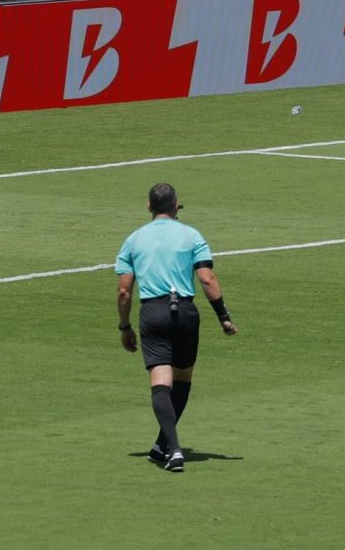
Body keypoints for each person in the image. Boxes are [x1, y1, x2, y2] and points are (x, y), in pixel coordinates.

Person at [114, 181, 237, 474]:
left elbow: (124, 291)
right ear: (176, 205)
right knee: (181, 381)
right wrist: (224, 317)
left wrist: (124, 326)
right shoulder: (191, 235)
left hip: (153, 312)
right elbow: (207, 279)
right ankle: (165, 446)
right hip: (185, 312)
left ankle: (170, 447)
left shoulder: (134, 239)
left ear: (148, 207)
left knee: (160, 382)